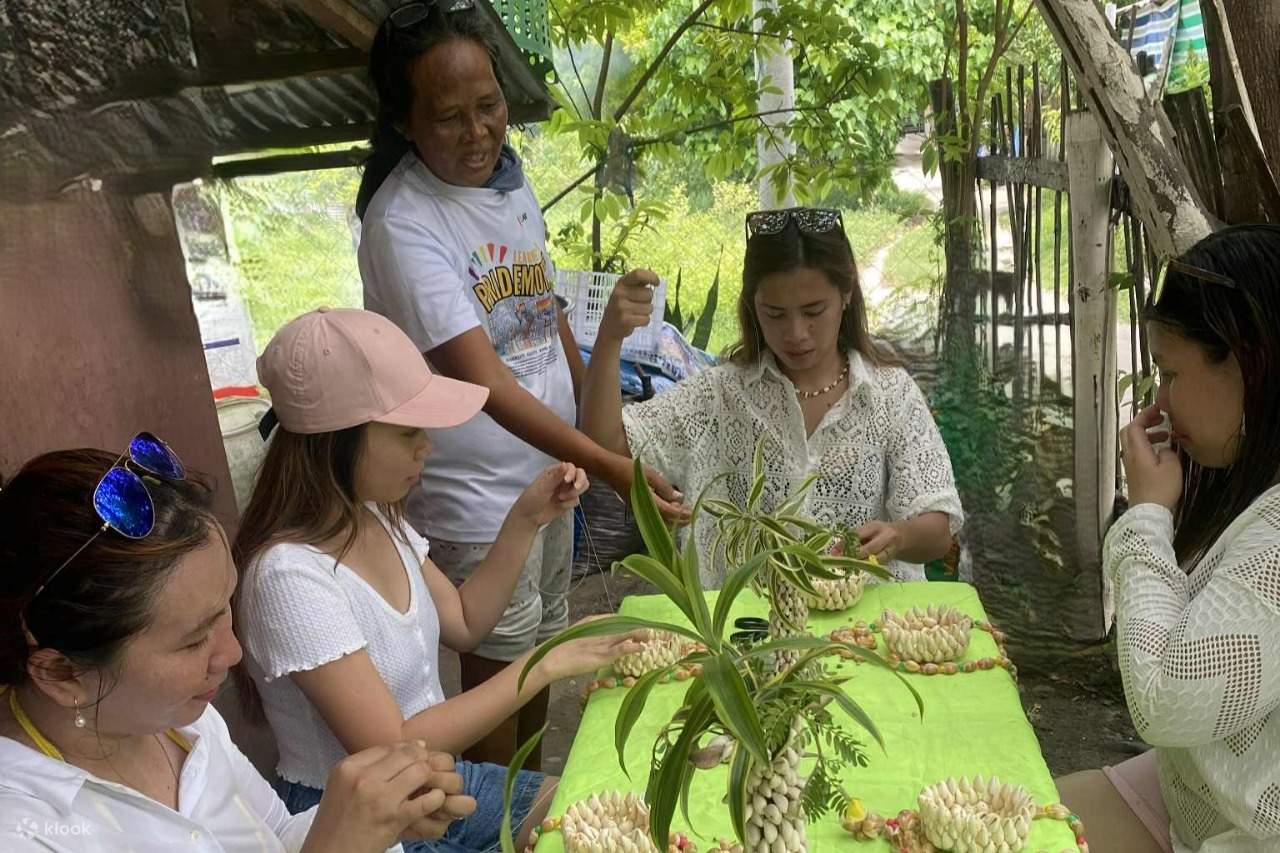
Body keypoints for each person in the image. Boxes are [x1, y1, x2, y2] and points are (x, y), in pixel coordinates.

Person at [355, 0, 685, 767]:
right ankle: (497, 817)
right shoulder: (403, 223)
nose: (478, 133)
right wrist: (612, 468)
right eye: (449, 118)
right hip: (478, 501)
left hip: (549, 477)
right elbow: (484, 380)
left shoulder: (508, 183)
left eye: (489, 105)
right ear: (405, 122)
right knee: (497, 689)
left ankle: (527, 809)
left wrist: (593, 423)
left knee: (544, 660)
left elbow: (543, 306)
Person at [233, 308, 645, 852]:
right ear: (336, 441)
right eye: (408, 432)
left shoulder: (375, 515)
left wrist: (525, 519)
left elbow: (466, 622)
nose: (426, 447)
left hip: (439, 782)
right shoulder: (288, 577)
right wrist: (546, 662)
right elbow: (396, 745)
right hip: (356, 821)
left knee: (602, 813)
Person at [0, 439, 473, 852]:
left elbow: (275, 834)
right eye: (193, 641)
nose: (233, 653)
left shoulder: (184, 722)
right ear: (63, 675)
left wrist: (375, 817)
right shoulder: (24, 831)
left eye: (226, 606)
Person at [580, 207, 964, 585]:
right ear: (752, 306)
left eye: (813, 311)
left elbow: (937, 530)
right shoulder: (719, 396)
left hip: (866, 621)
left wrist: (899, 536)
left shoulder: (890, 395)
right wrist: (610, 337)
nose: (796, 333)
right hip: (748, 621)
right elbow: (606, 443)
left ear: (846, 294)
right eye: (775, 314)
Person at [1055, 224, 1280, 853]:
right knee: (1000, 819)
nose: (1162, 399)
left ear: (1245, 364)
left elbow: (1164, 698)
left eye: (1171, 373)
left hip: (1247, 830)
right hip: (1197, 788)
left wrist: (1149, 513)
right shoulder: (1255, 487)